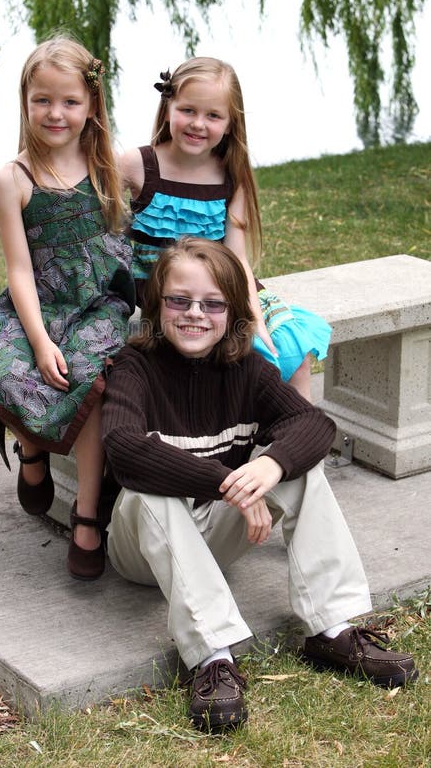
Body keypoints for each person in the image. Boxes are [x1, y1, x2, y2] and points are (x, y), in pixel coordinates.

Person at [101, 237, 417, 732]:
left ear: (233, 310)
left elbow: (316, 426)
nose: (194, 314)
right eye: (179, 300)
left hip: (217, 537)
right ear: (158, 302)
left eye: (212, 304)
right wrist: (229, 481)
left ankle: (331, 628)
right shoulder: (134, 366)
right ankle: (212, 660)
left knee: (299, 465)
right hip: (142, 547)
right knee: (149, 489)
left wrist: (269, 468)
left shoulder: (246, 368)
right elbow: (123, 447)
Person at [0, 35, 134, 580]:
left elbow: (177, 172)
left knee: (87, 378)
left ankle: (88, 514)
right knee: (16, 367)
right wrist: (41, 340)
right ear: (25, 102)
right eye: (43, 100)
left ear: (91, 105)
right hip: (38, 303)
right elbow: (19, 270)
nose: (56, 113)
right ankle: (32, 452)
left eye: (70, 101)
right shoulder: (13, 179)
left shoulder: (108, 165)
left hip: (97, 303)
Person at [119, 57, 331, 400]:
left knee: (290, 349)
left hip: (221, 286)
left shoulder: (230, 177)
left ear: (231, 124)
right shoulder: (137, 165)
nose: (198, 124)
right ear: (168, 107)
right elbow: (94, 222)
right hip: (169, 294)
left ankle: (300, 442)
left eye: (213, 116)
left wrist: (253, 315)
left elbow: (236, 256)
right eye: (188, 110)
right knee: (212, 364)